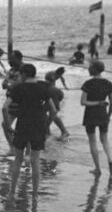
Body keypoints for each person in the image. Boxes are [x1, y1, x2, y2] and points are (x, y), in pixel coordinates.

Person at [4, 63, 56, 196]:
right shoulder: (43, 88)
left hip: (23, 124)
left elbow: (5, 108)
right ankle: (34, 193)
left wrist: (8, 125)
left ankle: (11, 192)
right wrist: (47, 125)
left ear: (24, 74)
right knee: (35, 160)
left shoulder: (18, 88)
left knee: (18, 159)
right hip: (38, 125)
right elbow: (53, 110)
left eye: (20, 74)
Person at [80, 60, 112, 176]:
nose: (88, 69)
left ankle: (97, 169)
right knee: (104, 140)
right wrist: (108, 115)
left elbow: (83, 102)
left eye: (90, 67)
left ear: (94, 69)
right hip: (103, 114)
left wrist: (97, 103)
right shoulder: (108, 83)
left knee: (92, 141)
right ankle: (110, 159)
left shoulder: (88, 84)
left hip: (90, 115)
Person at [43, 71, 70, 142]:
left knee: (50, 117)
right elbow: (61, 96)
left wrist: (65, 86)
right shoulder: (54, 87)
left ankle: (49, 133)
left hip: (53, 102)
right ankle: (48, 132)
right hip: (51, 101)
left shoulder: (53, 88)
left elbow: (60, 96)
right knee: (49, 116)